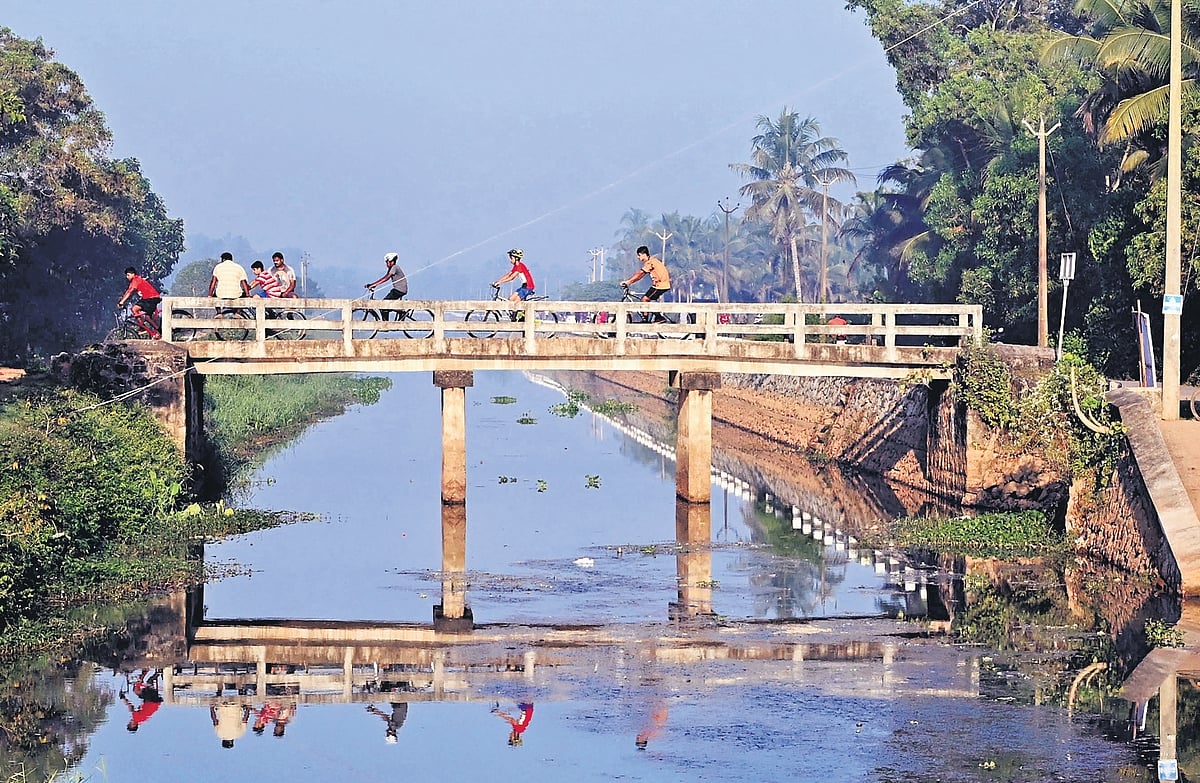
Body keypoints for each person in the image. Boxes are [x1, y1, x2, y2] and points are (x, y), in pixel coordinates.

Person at [620, 246, 671, 323]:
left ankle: (658, 318)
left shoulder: (650, 262)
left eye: (639, 255)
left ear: (644, 254)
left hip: (661, 285)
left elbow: (640, 274)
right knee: (646, 300)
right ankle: (647, 319)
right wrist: (630, 281)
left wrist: (629, 282)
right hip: (658, 285)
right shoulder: (652, 261)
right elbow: (640, 276)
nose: (638, 257)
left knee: (644, 299)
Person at [117, 266, 162, 338]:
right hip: (149, 299)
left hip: (151, 298)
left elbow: (130, 292)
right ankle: (156, 330)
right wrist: (122, 300)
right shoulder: (133, 282)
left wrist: (122, 302)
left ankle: (143, 327)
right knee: (147, 317)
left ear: (133, 274)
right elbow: (128, 291)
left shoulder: (136, 280)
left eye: (128, 275)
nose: (127, 277)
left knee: (134, 309)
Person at [363, 252, 408, 320]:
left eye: (388, 262)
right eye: (386, 262)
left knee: (384, 304)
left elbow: (386, 278)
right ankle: (399, 312)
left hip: (400, 290)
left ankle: (386, 324)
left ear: (393, 262)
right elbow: (384, 277)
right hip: (397, 290)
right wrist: (373, 284)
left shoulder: (395, 267)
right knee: (385, 304)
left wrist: (374, 285)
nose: (386, 264)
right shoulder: (391, 268)